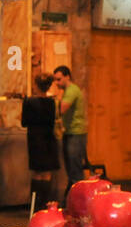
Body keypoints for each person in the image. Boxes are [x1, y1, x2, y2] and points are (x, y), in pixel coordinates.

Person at [20, 74, 60, 208]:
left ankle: (34, 205)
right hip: (49, 138)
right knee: (47, 173)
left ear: (36, 85)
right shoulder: (51, 102)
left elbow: (24, 122)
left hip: (35, 139)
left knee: (37, 172)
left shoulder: (29, 101)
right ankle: (45, 205)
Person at [53, 65, 88, 189]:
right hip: (71, 133)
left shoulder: (72, 90)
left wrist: (51, 102)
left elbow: (62, 109)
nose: (56, 83)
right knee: (71, 170)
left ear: (67, 76)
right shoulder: (68, 91)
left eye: (59, 79)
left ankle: (80, 201)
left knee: (75, 171)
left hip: (76, 134)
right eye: (55, 80)